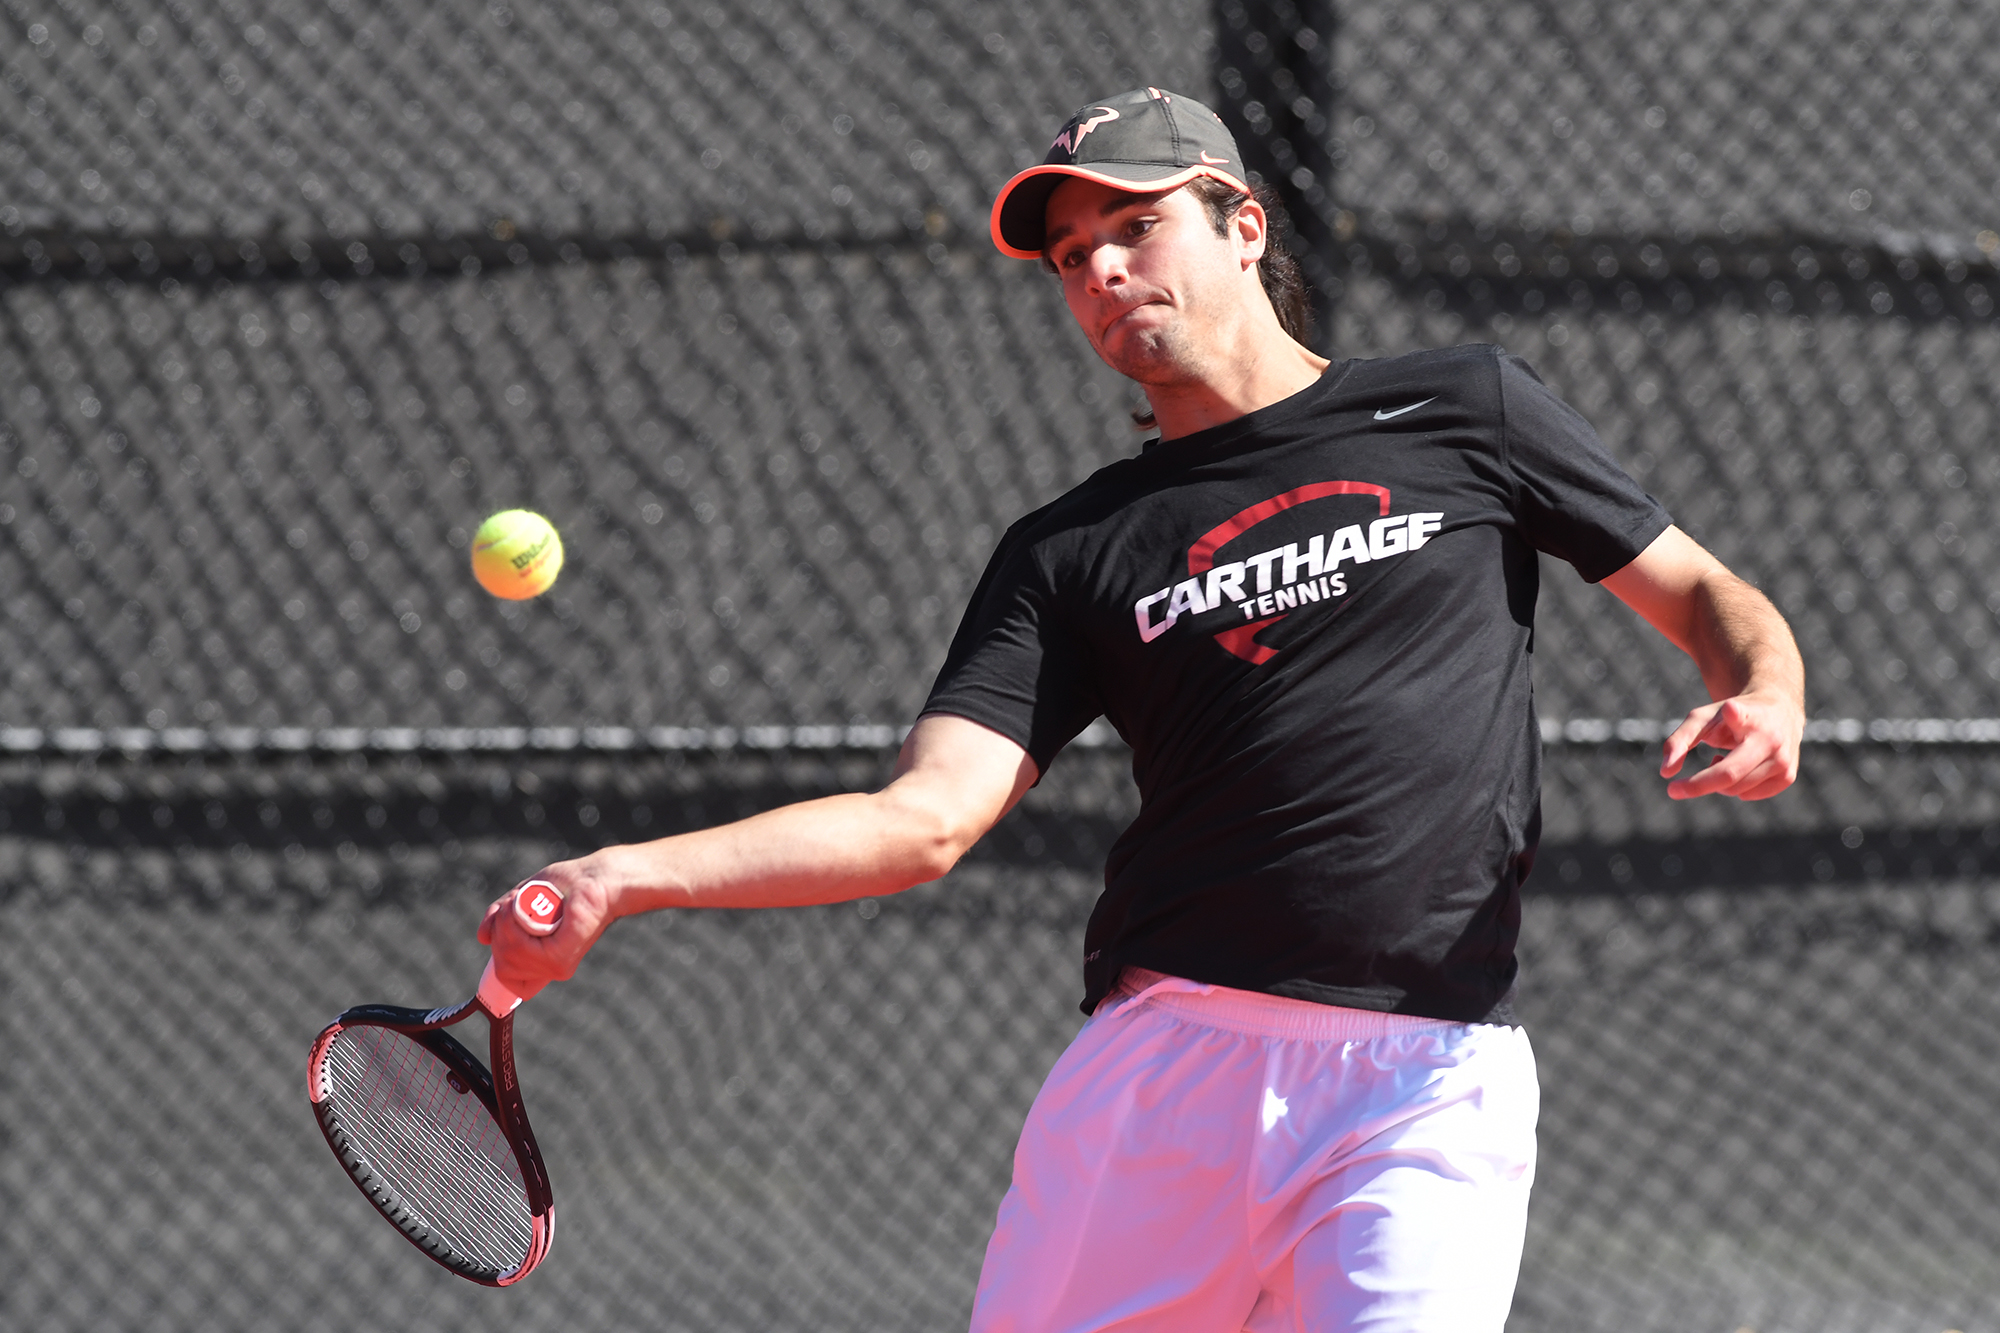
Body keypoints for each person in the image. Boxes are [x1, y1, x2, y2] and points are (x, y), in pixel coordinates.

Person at [481, 87, 1804, 1331]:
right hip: (1169, 1084)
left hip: (1429, 1083)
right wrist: (625, 874)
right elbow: (923, 819)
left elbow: (1702, 592)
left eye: (1135, 224)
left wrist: (1764, 689)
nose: (1103, 270)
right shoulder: (1072, 551)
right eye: (1070, 255)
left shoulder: (1466, 411)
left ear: (1244, 226)